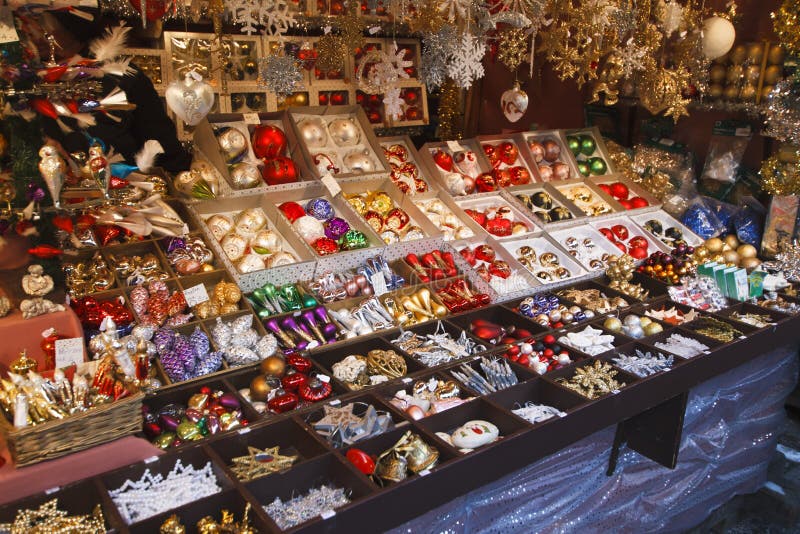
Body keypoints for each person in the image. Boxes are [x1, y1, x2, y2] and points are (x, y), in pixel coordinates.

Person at [20, 8, 191, 172]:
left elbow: (162, 144)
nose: (34, 36)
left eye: (43, 28)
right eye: (28, 28)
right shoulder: (23, 80)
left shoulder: (121, 76)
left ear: (72, 28)